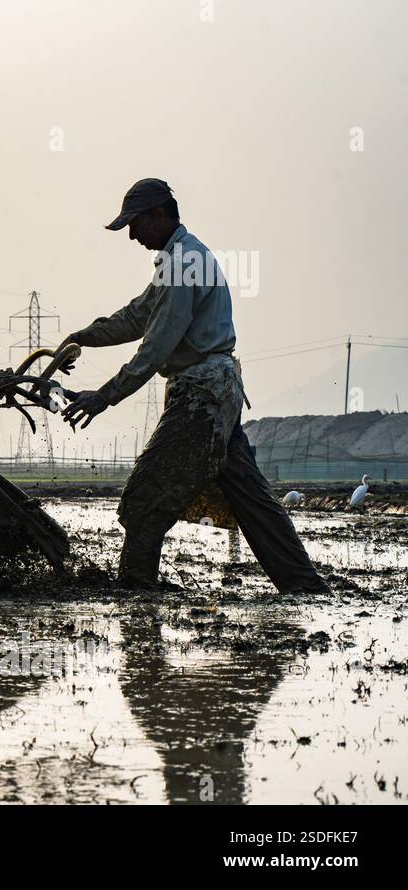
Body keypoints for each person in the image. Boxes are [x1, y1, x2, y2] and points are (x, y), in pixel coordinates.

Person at [60, 178, 326, 593]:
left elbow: (156, 346)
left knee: (145, 499)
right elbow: (136, 316)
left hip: (201, 397)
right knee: (252, 501)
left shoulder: (183, 264)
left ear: (161, 215)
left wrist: (104, 396)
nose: (132, 234)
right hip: (217, 394)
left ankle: (136, 595)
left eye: (136, 224)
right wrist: (83, 336)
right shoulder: (181, 260)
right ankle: (305, 587)